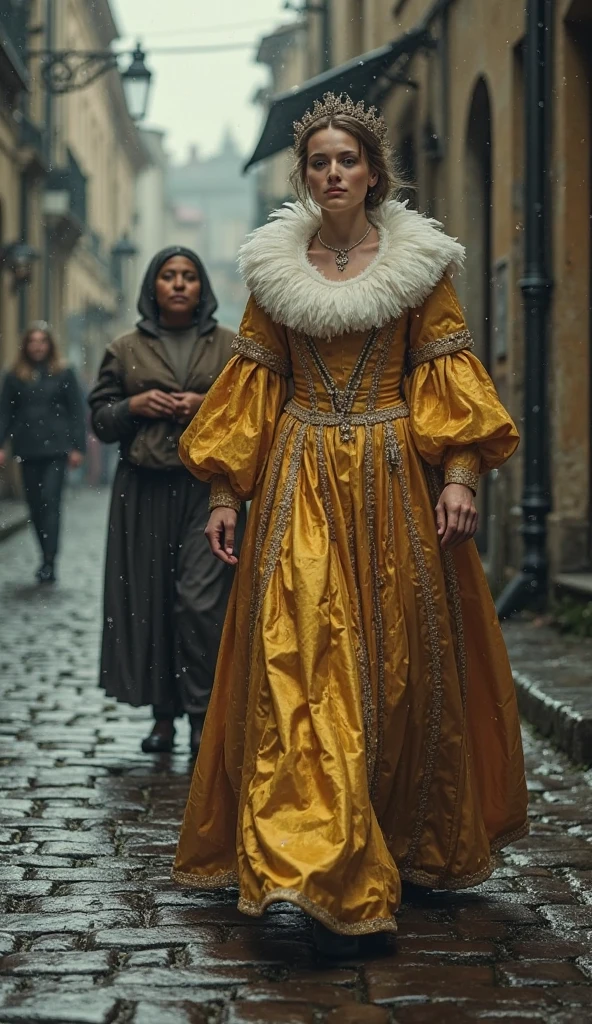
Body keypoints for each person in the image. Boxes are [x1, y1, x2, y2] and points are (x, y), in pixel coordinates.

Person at [172, 94, 528, 956]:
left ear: (373, 171)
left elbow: (447, 378)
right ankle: (305, 868)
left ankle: (400, 839)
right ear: (307, 176)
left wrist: (460, 473)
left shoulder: (419, 268)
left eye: (348, 160)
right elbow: (252, 388)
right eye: (320, 163)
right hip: (297, 480)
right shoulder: (275, 273)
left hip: (394, 476)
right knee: (301, 664)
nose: (334, 174)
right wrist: (225, 492)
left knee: (395, 668)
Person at [88, 247, 243, 756]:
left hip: (207, 491)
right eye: (169, 276)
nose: (179, 284)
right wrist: (133, 405)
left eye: (189, 277)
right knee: (150, 603)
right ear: (152, 287)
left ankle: (202, 716)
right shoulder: (124, 347)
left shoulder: (230, 347)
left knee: (199, 603)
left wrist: (207, 405)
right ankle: (163, 718)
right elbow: (100, 421)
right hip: (143, 492)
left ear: (203, 288)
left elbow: (250, 412)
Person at [0, 322, 85, 584]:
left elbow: (76, 412)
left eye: (42, 341)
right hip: (28, 449)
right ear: (26, 346)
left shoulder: (63, 373)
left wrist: (77, 447)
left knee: (50, 502)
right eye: (33, 341)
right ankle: (43, 554)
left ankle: (50, 560)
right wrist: (1, 444)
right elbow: (6, 413)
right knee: (35, 505)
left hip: (56, 449)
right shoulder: (15, 376)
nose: (37, 346)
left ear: (50, 345)